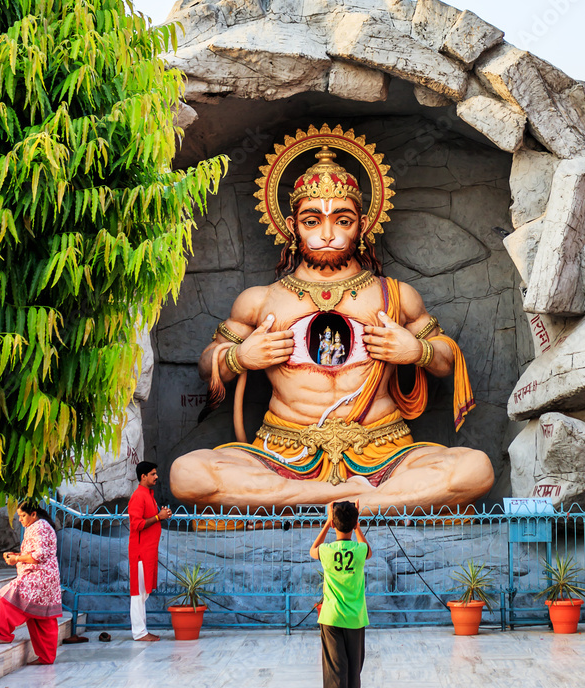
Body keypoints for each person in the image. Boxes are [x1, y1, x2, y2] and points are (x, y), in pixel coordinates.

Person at [170, 129, 493, 511]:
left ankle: (298, 507)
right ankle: (359, 505)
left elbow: (445, 359)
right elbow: (207, 364)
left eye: (342, 220)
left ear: (362, 225)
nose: (327, 235)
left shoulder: (396, 295)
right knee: (186, 474)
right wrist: (240, 358)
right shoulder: (261, 300)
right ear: (292, 226)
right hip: (282, 453)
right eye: (312, 220)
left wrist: (416, 350)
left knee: (476, 468)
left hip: (383, 451)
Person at [310, 500, 371, 688]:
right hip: (355, 617)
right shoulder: (360, 551)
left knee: (335, 672)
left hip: (331, 617)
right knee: (354, 671)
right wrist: (357, 525)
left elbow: (312, 550)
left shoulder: (326, 551)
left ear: (334, 523)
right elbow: (368, 551)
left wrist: (328, 523)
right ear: (354, 523)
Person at [0, 501, 62, 665]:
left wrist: (16, 558)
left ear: (33, 514)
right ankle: (46, 658)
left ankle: (4, 635)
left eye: (23, 515)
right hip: (46, 578)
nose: (20, 519)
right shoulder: (40, 526)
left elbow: (38, 555)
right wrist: (17, 556)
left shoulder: (39, 527)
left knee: (6, 596)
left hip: (39, 577)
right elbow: (35, 553)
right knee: (41, 618)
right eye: (19, 516)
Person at [128, 460, 172, 642]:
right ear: (143, 476)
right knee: (138, 594)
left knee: (143, 592)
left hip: (148, 552)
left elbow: (150, 520)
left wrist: (159, 515)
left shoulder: (148, 495)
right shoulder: (138, 496)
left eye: (156, 473)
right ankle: (139, 632)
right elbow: (136, 524)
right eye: (153, 474)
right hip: (140, 552)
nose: (156, 477)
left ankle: (142, 630)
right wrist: (157, 517)